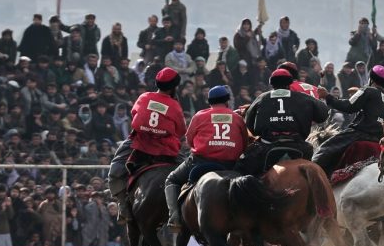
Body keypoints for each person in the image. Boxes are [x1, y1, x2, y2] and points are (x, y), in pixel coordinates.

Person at [164, 85, 249, 231]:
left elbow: (190, 140)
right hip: (230, 165)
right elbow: (244, 143)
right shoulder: (237, 118)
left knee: (171, 179)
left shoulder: (200, 115)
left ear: (209, 101)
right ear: (227, 101)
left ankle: (175, 218)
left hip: (201, 161)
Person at [107, 67, 186, 219]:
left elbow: (134, 114)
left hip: (139, 142)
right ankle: (181, 210)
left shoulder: (144, 97)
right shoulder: (175, 105)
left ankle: (122, 205)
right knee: (187, 171)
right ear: (174, 87)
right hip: (166, 147)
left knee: (115, 169)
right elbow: (181, 130)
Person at [236, 69, 329, 175]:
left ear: (272, 84)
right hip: (299, 146)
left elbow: (250, 124)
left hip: (267, 146)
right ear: (289, 83)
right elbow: (323, 115)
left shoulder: (262, 98)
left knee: (241, 170)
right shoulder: (303, 97)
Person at [312, 65, 384, 176]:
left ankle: (312, 173)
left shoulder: (367, 90)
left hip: (359, 134)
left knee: (324, 150)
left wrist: (327, 96)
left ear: (371, 79)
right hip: (378, 139)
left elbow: (349, 106)